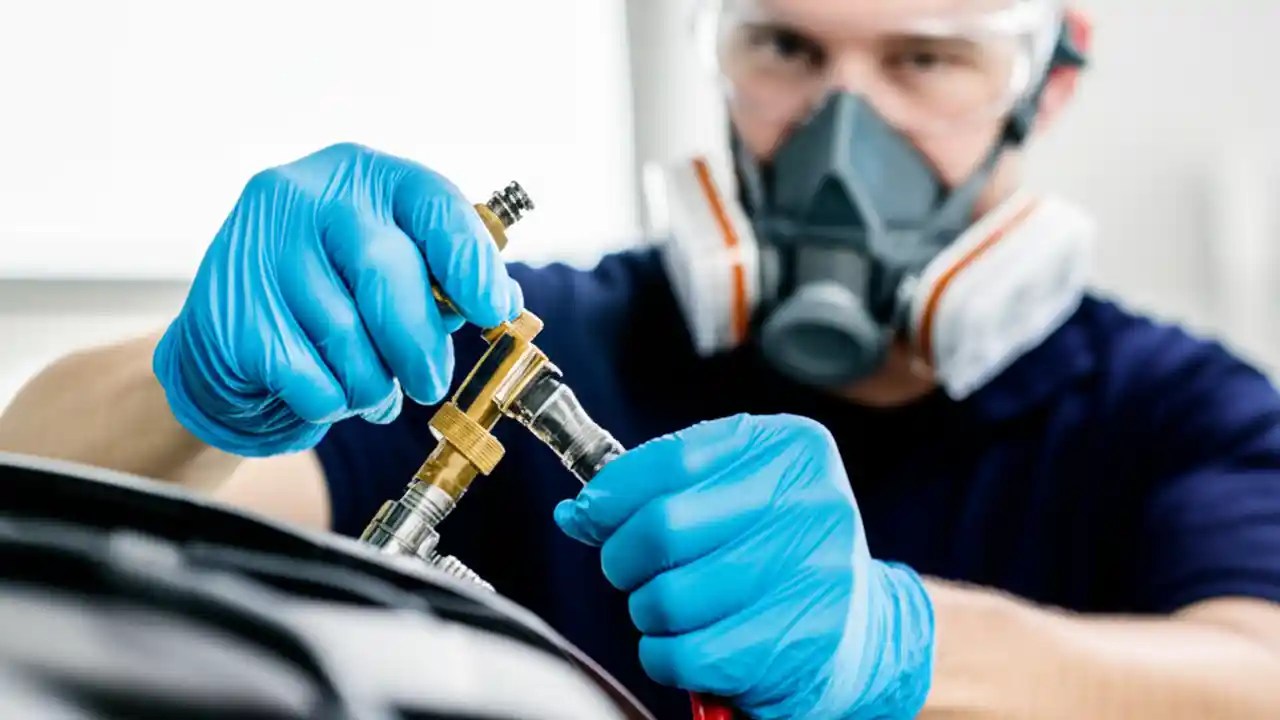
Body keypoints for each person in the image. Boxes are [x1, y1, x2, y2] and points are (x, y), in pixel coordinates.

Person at [3, 0, 1280, 717]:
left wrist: (897, 638)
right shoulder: (538, 333)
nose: (842, 131)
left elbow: (1250, 678)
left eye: (924, 58)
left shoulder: (1185, 411)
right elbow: (41, 483)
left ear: (1043, 82)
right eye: (783, 48)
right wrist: (194, 386)